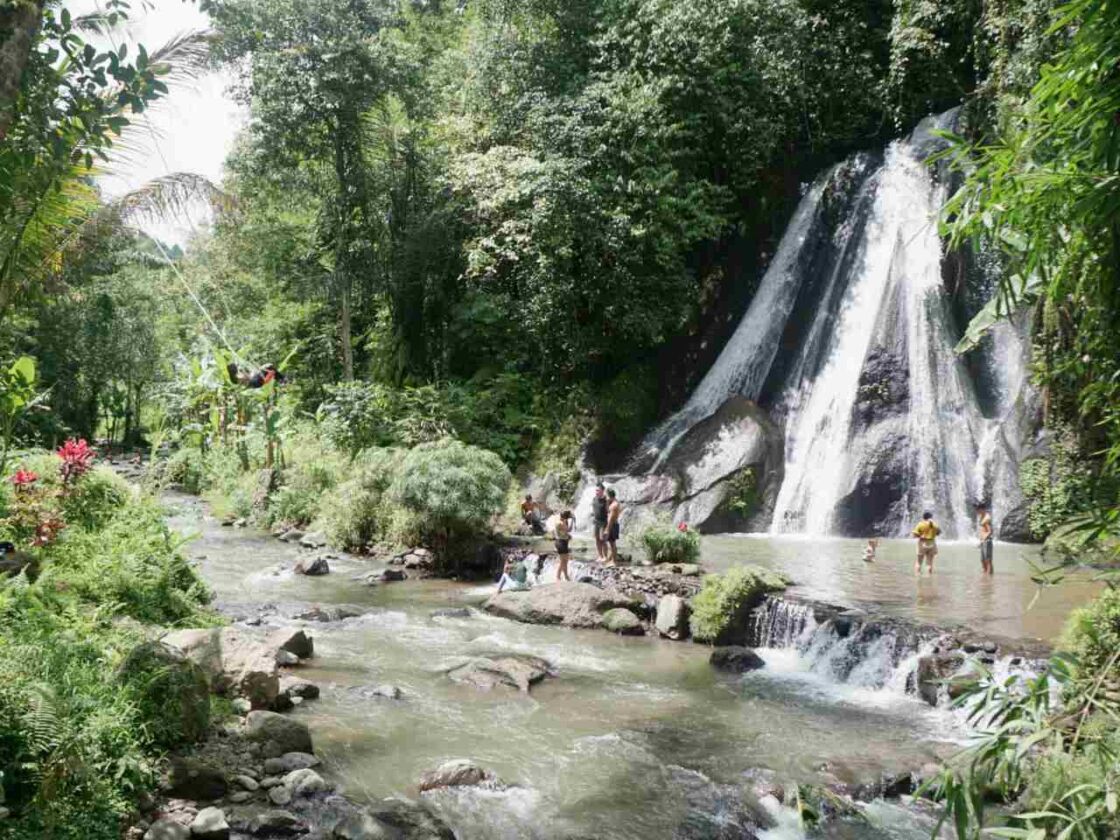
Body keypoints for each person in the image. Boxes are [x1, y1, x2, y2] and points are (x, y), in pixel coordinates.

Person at [911, 511, 940, 575]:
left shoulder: (921, 524)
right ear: (931, 517)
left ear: (923, 517)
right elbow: (938, 533)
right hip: (932, 543)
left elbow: (914, 535)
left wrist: (921, 536)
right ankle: (929, 578)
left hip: (922, 543)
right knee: (929, 563)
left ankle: (917, 577)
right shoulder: (935, 524)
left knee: (919, 562)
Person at [552, 510, 575, 582]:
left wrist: (567, 536)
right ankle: (558, 577)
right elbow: (569, 529)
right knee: (563, 561)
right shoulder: (561, 523)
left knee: (565, 561)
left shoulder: (559, 521)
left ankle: (566, 576)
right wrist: (572, 521)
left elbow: (563, 532)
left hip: (561, 542)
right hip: (561, 543)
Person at [605, 489, 622, 566]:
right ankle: (611, 559)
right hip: (614, 524)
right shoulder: (615, 503)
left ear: (609, 495)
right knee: (612, 543)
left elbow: (611, 519)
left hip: (613, 525)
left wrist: (607, 529)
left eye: (607, 495)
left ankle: (614, 562)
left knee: (612, 544)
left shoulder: (614, 505)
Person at [592, 483, 609, 562]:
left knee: (603, 540)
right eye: (596, 490)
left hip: (603, 522)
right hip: (596, 522)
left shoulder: (606, 500)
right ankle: (600, 556)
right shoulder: (594, 498)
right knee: (597, 539)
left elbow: (609, 511)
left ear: (603, 491)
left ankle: (605, 556)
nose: (596, 492)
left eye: (598, 490)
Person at [977, 502, 994, 575]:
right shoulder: (982, 517)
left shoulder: (987, 518)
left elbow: (990, 531)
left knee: (988, 560)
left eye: (978, 510)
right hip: (983, 541)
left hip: (987, 541)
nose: (977, 511)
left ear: (983, 509)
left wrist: (984, 539)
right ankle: (985, 574)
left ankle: (989, 575)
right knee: (982, 559)